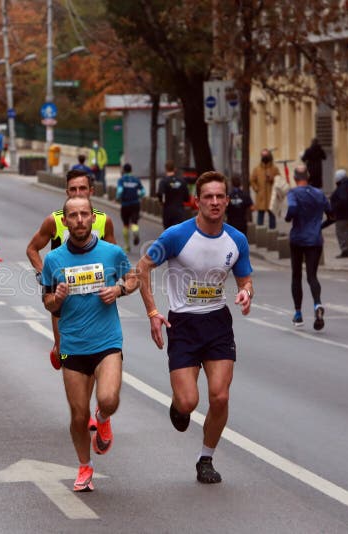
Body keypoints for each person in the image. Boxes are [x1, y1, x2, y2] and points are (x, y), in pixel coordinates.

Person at [136, 171, 253, 484]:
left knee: (220, 397)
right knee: (189, 401)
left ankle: (206, 458)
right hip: (183, 323)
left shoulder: (236, 239)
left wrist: (246, 292)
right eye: (208, 197)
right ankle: (178, 404)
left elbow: (244, 278)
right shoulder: (176, 235)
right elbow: (143, 266)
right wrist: (152, 312)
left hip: (217, 323)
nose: (214, 202)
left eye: (219, 197)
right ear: (197, 201)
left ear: (227, 200)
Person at [41, 196, 137, 492]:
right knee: (78, 414)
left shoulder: (111, 252)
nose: (80, 220)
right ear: (65, 221)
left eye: (85, 214)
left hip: (107, 341)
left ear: (93, 218)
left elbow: (134, 278)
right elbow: (47, 301)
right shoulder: (53, 259)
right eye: (73, 215)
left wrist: (119, 289)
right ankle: (84, 467)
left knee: (108, 398)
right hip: (73, 344)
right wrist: (57, 297)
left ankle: (104, 417)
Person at [26, 169, 116, 370]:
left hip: (94, 297)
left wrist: (111, 283)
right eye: (73, 189)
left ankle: (100, 395)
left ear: (91, 191)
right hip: (63, 296)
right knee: (64, 355)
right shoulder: (55, 220)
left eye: (82, 188)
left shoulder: (102, 221)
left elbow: (114, 257)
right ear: (67, 192)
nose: (78, 193)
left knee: (96, 353)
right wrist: (45, 276)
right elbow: (32, 249)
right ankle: (59, 350)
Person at [285, 165, 332, 329]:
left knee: (296, 275)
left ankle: (298, 314)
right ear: (308, 175)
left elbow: (292, 208)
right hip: (315, 239)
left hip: (298, 239)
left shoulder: (293, 193)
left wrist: (288, 217)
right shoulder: (319, 193)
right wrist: (319, 226)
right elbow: (332, 215)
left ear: (295, 177)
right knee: (312, 275)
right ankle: (317, 304)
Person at [115, 163, 145, 252]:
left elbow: (120, 191)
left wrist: (118, 197)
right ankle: (135, 230)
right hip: (135, 204)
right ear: (131, 170)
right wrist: (138, 196)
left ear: (124, 170)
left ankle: (127, 246)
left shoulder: (122, 180)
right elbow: (143, 191)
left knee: (125, 225)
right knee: (134, 222)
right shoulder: (136, 179)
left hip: (125, 204)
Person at [250, 149, 279, 229]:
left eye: (266, 155)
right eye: (263, 155)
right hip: (261, 196)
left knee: (272, 216)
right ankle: (260, 232)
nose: (264, 157)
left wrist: (272, 178)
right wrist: (256, 189)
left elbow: (279, 180)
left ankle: (273, 233)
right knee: (260, 216)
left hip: (271, 196)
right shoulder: (257, 169)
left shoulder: (274, 169)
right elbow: (252, 180)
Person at [330, 169, 348, 258]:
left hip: (342, 215)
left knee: (341, 232)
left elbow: (343, 200)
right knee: (346, 232)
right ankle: (346, 249)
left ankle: (345, 250)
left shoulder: (342, 187)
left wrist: (335, 208)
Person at [157, 160, 190, 229]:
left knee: (168, 232)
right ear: (174, 169)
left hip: (168, 210)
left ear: (166, 169)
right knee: (179, 231)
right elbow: (187, 197)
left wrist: (161, 201)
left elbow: (160, 193)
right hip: (179, 210)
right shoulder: (182, 181)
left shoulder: (163, 181)